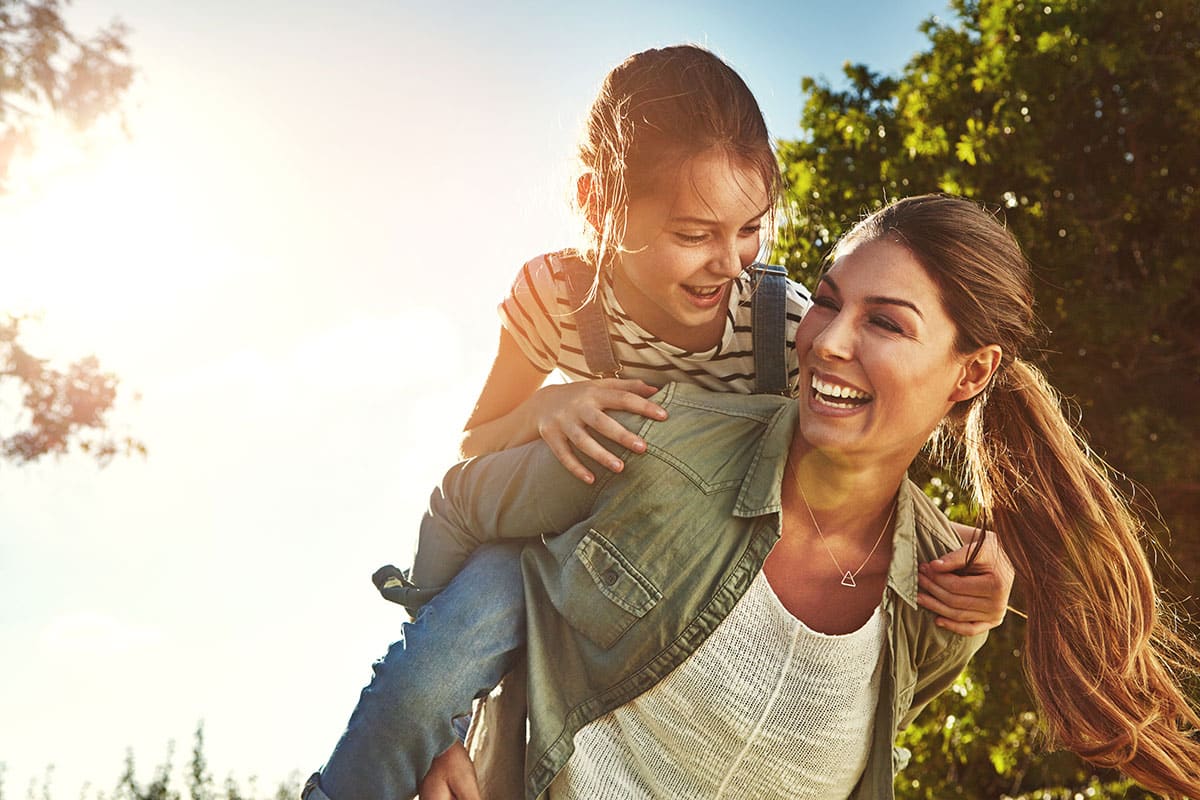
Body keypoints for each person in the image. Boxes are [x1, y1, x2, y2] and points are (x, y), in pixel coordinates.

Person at [305, 47, 1012, 800]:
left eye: (751, 229)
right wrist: (545, 407)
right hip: (546, 543)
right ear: (597, 203)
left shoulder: (783, 324)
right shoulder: (557, 296)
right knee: (417, 689)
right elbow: (478, 443)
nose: (731, 262)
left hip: (674, 561)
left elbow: (862, 462)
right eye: (694, 233)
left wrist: (983, 564)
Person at [411, 195, 1200, 799]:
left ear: (971, 373)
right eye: (827, 300)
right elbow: (459, 505)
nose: (827, 340)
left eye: (885, 323)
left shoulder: (944, 594)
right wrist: (432, 726)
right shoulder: (658, 439)